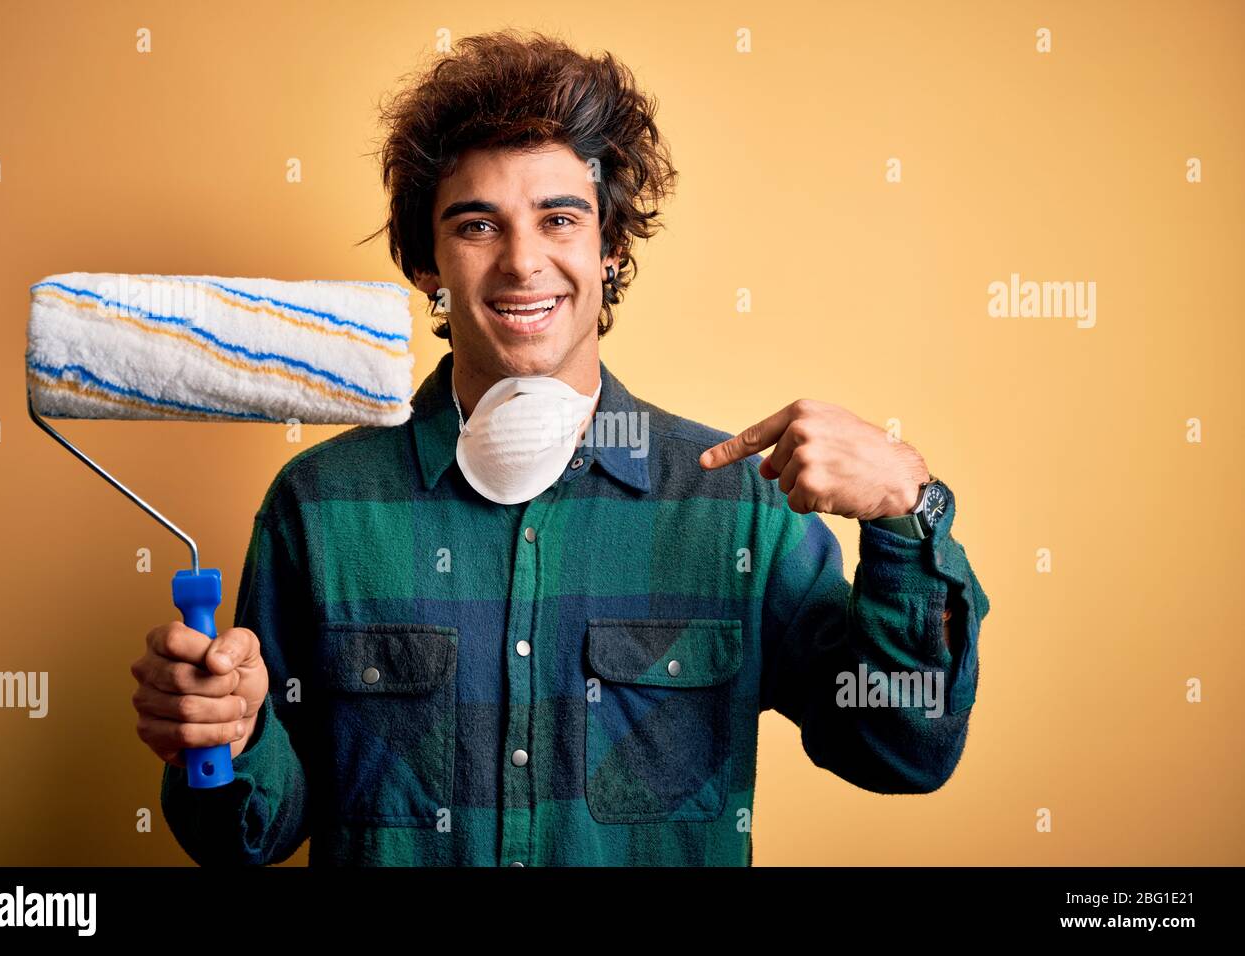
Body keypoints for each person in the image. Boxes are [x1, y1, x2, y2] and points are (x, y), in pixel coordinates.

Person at [131, 29, 990, 866]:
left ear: (611, 249)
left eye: (560, 219)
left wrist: (909, 517)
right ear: (426, 261)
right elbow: (245, 839)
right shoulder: (319, 507)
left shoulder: (735, 508)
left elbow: (902, 750)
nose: (522, 262)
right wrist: (229, 739)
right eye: (477, 225)